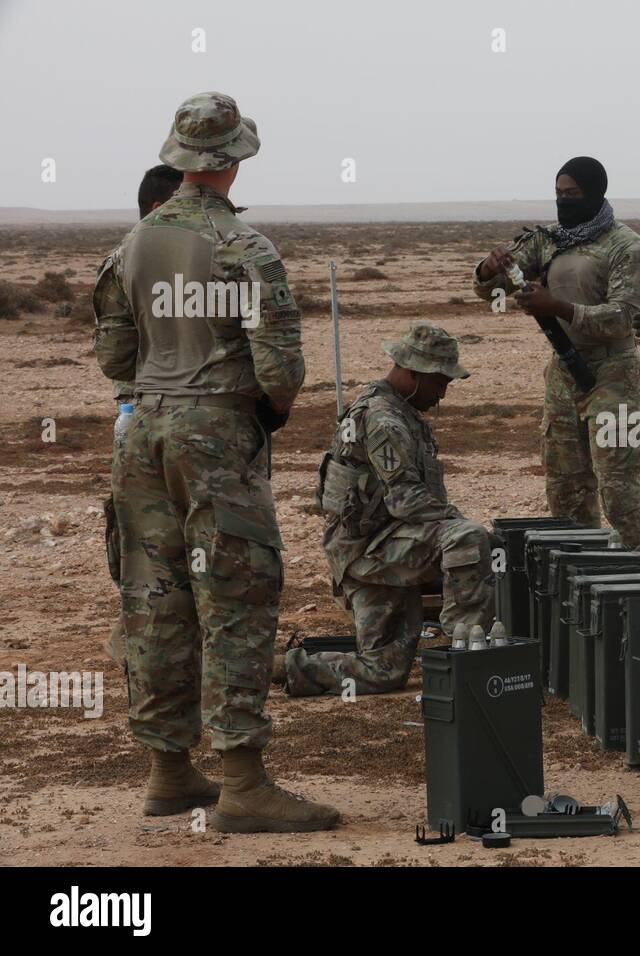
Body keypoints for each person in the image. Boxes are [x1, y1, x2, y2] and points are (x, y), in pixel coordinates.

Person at [93, 91, 338, 832]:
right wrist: (261, 412)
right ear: (233, 160)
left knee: (156, 599)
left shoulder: (130, 246)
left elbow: (114, 357)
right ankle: (242, 782)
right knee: (235, 596)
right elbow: (282, 370)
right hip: (216, 434)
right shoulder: (245, 250)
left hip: (145, 436)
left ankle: (169, 770)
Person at [282, 322, 494, 696]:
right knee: (468, 538)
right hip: (368, 552)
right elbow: (406, 501)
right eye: (439, 382)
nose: (443, 393)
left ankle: (286, 669)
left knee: (383, 671)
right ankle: (468, 654)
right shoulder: (384, 419)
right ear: (414, 372)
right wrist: (464, 526)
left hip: (387, 543)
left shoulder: (397, 410)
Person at [473, 158, 640, 559]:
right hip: (563, 373)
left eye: (571, 195)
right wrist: (488, 269)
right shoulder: (550, 240)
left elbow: (624, 316)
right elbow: (491, 289)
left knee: (617, 485)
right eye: (558, 194)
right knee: (565, 486)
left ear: (594, 194)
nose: (563, 202)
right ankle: (580, 576)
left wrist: (557, 306)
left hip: (612, 374)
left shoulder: (627, 247)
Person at [103, 164, 185, 669]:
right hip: (150, 415)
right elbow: (118, 356)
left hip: (157, 416)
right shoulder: (139, 264)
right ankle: (137, 637)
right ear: (158, 210)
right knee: (153, 532)